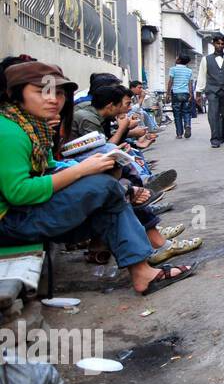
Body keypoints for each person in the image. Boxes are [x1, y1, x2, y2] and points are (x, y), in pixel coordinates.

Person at [0, 61, 196, 295]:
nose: (53, 99)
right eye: (42, 91)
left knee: (107, 190)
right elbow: (19, 192)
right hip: (10, 223)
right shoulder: (8, 131)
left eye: (59, 93)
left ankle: (143, 265)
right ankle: (148, 251)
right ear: (16, 93)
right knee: (105, 187)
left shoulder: (32, 127)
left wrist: (91, 168)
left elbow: (50, 168)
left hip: (27, 214)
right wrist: (82, 171)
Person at [199, 34, 224, 148]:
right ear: (214, 44)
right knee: (213, 113)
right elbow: (202, 75)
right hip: (212, 90)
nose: (220, 46)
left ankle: (222, 133)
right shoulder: (206, 59)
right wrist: (199, 91)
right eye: (218, 43)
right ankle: (214, 138)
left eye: (222, 44)